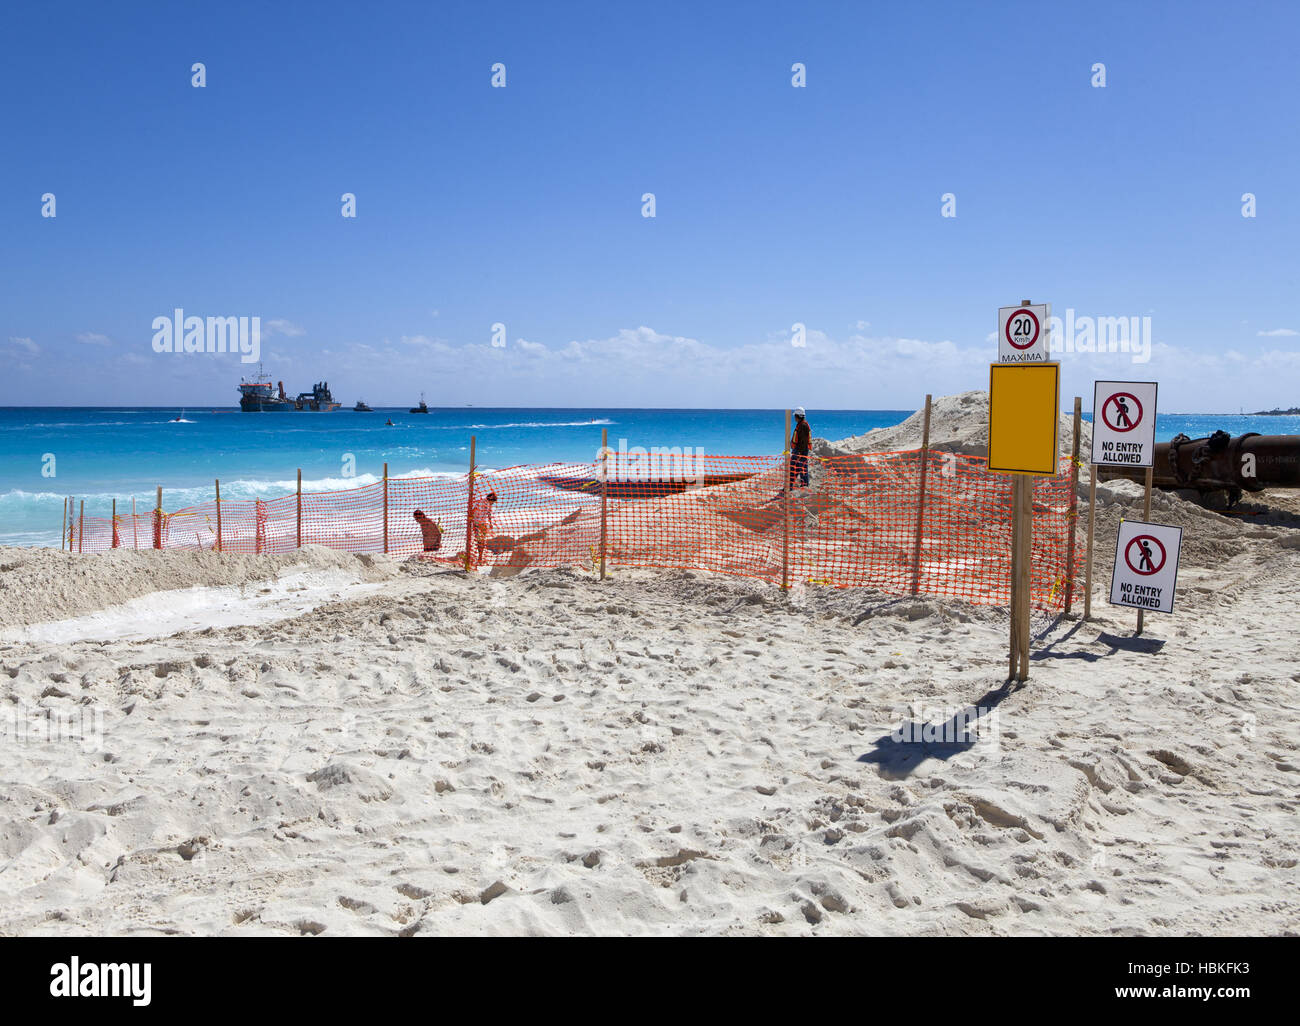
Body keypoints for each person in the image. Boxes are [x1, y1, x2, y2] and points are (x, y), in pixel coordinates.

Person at [470, 490, 498, 565]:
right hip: (478, 523)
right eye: (493, 502)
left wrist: (490, 523)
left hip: (481, 524)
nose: (493, 503)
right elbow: (473, 510)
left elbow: (488, 513)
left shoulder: (486, 504)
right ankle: (480, 558)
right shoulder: (481, 502)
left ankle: (480, 558)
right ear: (491, 499)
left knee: (481, 541)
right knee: (480, 541)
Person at [790, 407, 811, 488]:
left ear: (798, 416)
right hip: (799, 451)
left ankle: (802, 485)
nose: (794, 417)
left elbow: (803, 441)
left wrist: (799, 452)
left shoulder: (803, 426)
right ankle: (792, 485)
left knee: (799, 469)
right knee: (798, 468)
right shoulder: (801, 424)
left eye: (795, 415)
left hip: (800, 451)